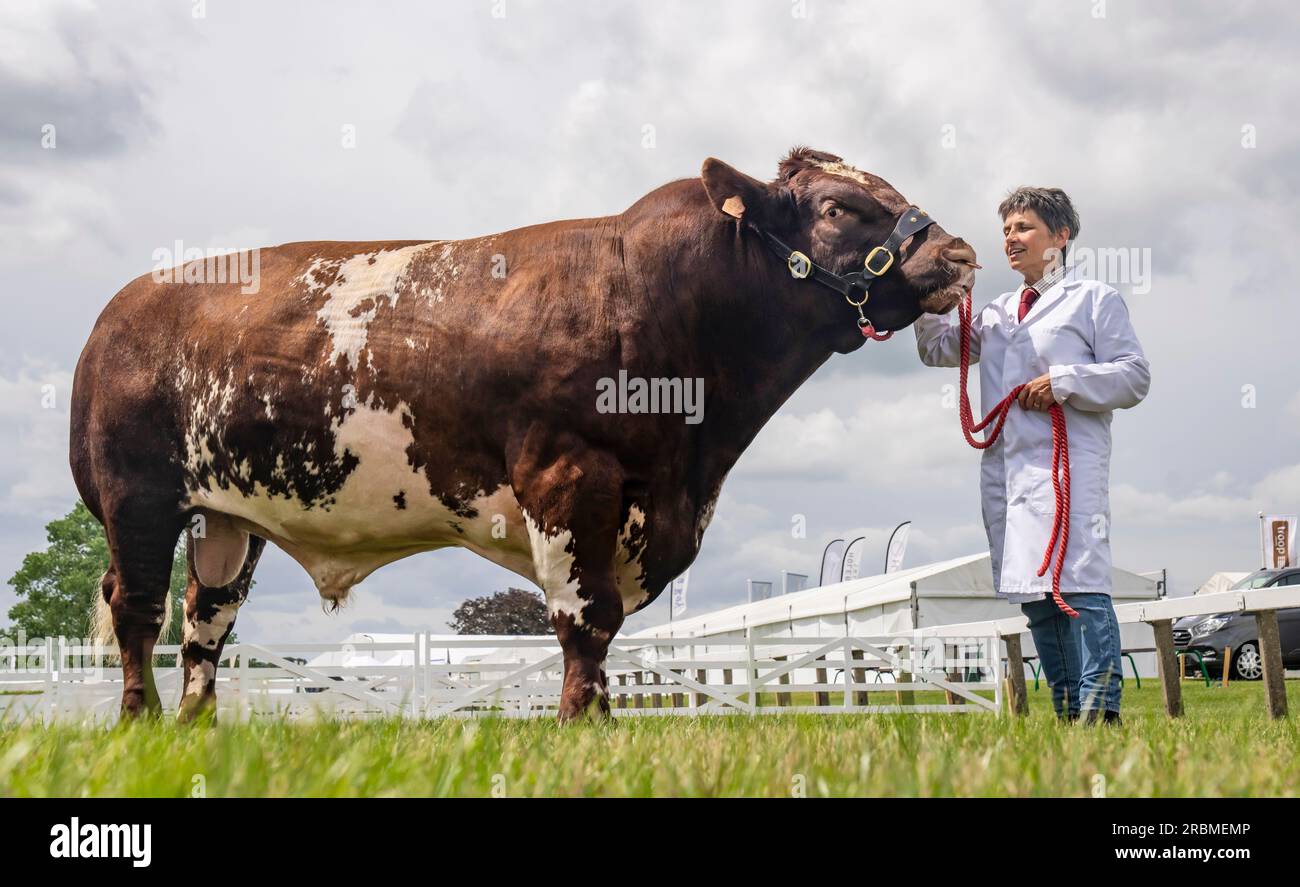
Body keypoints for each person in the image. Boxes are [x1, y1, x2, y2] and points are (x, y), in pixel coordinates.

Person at [914, 187, 1150, 726]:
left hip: (1070, 470)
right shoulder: (995, 312)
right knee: (1037, 598)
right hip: (1009, 473)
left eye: (1023, 228)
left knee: (1082, 588)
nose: (1010, 240)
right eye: (1006, 231)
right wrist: (932, 299)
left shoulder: (1094, 299)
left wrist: (1064, 380)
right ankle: (1068, 714)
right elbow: (937, 350)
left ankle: (1100, 713)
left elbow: (1134, 376)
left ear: (1060, 236)